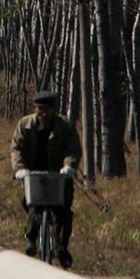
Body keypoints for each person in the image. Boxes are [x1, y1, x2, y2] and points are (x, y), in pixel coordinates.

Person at [11, 91, 82, 268]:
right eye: (39, 109)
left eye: (46, 110)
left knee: (64, 212)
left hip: (59, 175)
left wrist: (69, 166)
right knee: (33, 205)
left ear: (53, 109)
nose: (42, 113)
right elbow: (17, 148)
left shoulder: (64, 126)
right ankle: (31, 239)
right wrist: (20, 169)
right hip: (33, 174)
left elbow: (73, 148)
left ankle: (61, 248)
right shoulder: (24, 125)